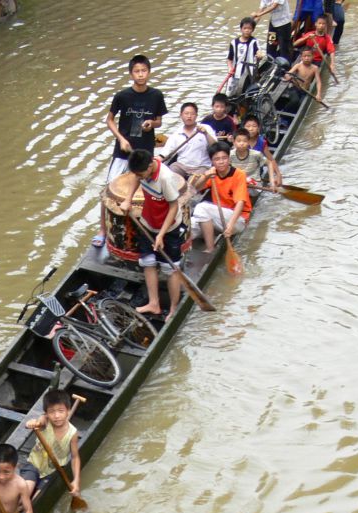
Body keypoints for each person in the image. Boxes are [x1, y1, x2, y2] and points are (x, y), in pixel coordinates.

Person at [93, 54, 167, 248]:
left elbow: (159, 120)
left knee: (148, 192)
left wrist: (152, 123)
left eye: (144, 71)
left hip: (145, 151)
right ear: (131, 74)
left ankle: (148, 230)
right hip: (123, 151)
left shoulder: (156, 95)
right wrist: (121, 138)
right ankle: (102, 230)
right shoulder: (122, 96)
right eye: (137, 71)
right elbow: (109, 120)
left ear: (149, 72)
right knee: (108, 190)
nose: (141, 75)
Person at [124, 148, 186, 318]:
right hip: (148, 222)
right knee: (147, 262)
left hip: (169, 228)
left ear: (151, 165)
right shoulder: (141, 172)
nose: (140, 177)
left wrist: (161, 235)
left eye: (142, 173)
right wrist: (128, 200)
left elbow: (174, 207)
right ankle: (154, 303)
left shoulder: (165, 178)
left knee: (170, 269)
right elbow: (135, 178)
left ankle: (173, 308)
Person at [190, 142, 252, 253]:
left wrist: (230, 225)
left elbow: (240, 203)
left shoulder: (239, 174)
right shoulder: (212, 174)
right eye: (217, 159)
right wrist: (206, 176)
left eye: (224, 158)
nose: (221, 162)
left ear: (229, 159)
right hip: (218, 216)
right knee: (191, 225)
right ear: (212, 161)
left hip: (237, 219)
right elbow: (196, 189)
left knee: (201, 208)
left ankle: (210, 249)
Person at [22, 390, 81, 495]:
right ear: (46, 413)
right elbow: (37, 423)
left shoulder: (73, 433)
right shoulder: (45, 421)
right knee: (25, 493)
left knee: (37, 499)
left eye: (61, 411)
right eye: (52, 412)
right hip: (34, 464)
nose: (56, 415)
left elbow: (75, 457)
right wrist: (30, 423)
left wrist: (76, 480)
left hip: (52, 471)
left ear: (68, 411)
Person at [160, 102, 217, 178]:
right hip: (182, 166)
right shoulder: (176, 134)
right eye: (186, 113)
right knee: (171, 171)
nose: (189, 116)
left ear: (196, 116)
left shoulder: (206, 128)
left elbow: (215, 147)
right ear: (181, 115)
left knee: (194, 181)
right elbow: (165, 154)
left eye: (192, 114)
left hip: (201, 167)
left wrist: (206, 134)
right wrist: (154, 161)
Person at [240, 114, 283, 189]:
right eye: (248, 126)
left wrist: (278, 175)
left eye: (254, 126)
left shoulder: (262, 142)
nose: (251, 129)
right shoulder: (240, 141)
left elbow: (271, 159)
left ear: (258, 128)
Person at [227, 17, 263, 94]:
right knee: (230, 96)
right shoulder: (234, 43)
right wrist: (230, 68)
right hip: (235, 76)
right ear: (241, 29)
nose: (247, 30)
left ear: (253, 30)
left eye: (249, 28)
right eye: (245, 28)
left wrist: (259, 55)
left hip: (247, 77)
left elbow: (259, 52)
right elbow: (229, 59)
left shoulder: (254, 42)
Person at [281, 45, 322, 110]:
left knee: (301, 105)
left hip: (305, 91)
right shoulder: (298, 66)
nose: (306, 58)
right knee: (295, 100)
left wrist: (318, 94)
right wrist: (288, 77)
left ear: (313, 56)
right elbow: (288, 74)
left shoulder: (315, 68)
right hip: (294, 89)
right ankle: (283, 113)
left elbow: (318, 82)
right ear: (301, 58)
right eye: (304, 56)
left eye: (309, 56)